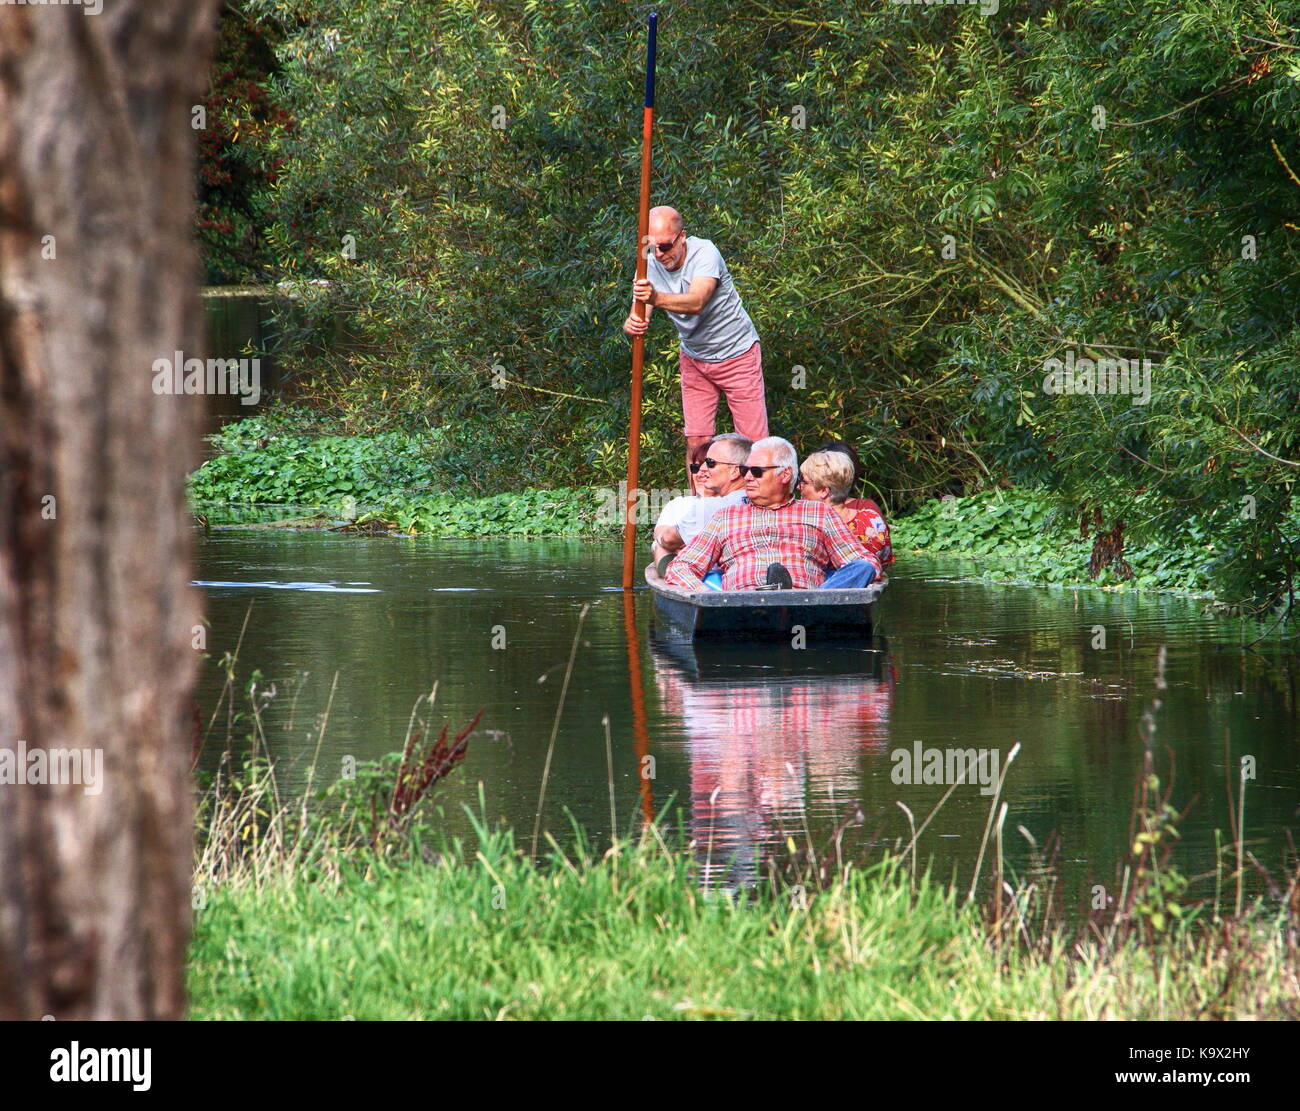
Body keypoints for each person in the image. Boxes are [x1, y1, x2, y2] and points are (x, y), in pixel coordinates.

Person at [622, 206, 767, 481]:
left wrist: (655, 298)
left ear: (682, 237)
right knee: (697, 441)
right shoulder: (649, 261)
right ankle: (700, 512)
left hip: (738, 355)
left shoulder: (705, 253)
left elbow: (697, 301)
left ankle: (757, 515)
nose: (660, 255)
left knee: (752, 443)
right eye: (652, 248)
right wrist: (633, 323)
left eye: (665, 246)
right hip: (694, 358)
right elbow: (639, 314)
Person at [665, 437, 881, 592]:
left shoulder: (818, 513)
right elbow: (681, 566)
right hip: (741, 604)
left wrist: (825, 594)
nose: (748, 477)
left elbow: (862, 561)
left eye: (757, 471)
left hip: (806, 601)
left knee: (862, 568)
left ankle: (813, 601)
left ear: (785, 474)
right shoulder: (726, 516)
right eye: (745, 471)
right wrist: (707, 597)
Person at [651, 433, 752, 567]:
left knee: (659, 546)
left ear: (734, 471)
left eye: (710, 463)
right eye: (697, 467)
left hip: (720, 577)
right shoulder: (765, 501)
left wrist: (664, 543)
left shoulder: (710, 507)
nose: (702, 470)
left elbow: (667, 539)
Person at [798, 449, 894, 568]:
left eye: (804, 482)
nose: (798, 487)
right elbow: (885, 562)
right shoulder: (872, 519)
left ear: (824, 491)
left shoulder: (809, 527)